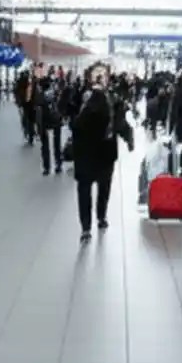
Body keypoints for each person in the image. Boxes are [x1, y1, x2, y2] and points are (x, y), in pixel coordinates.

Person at [71, 63, 133, 243]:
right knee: (85, 189)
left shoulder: (113, 98)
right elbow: (70, 116)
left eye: (103, 74)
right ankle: (85, 226)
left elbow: (119, 121)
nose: (99, 77)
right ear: (89, 77)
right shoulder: (79, 95)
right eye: (96, 74)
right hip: (85, 150)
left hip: (105, 150)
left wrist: (128, 136)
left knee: (103, 187)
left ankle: (101, 216)